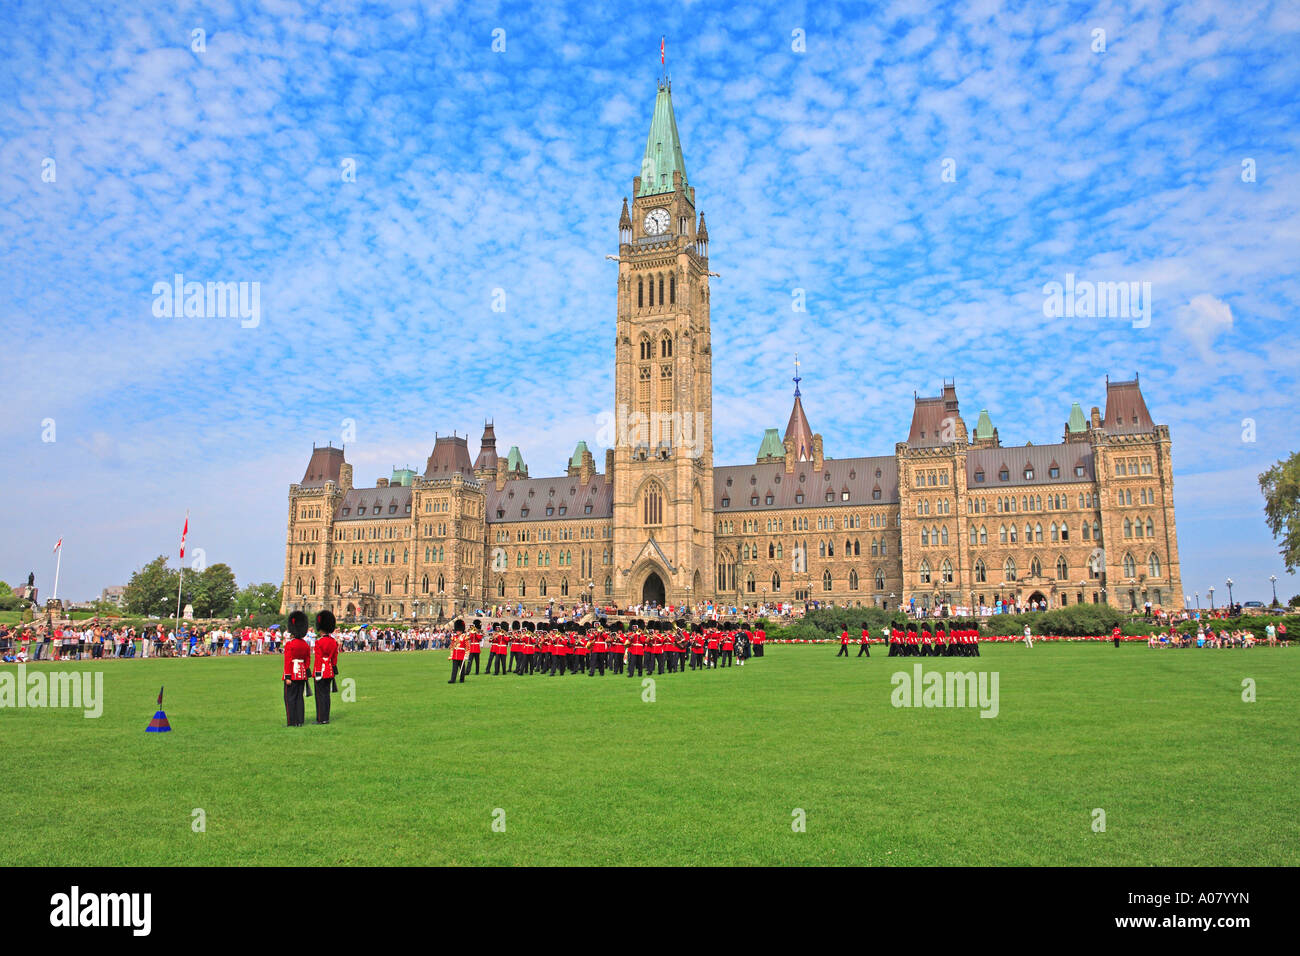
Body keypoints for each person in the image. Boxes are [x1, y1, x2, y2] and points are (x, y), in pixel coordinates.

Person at [282, 611, 312, 727]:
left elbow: (288, 661)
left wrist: (287, 676)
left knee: (290, 698)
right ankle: (300, 721)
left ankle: (292, 721)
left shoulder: (290, 644)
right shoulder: (305, 644)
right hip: (302, 673)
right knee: (299, 698)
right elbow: (307, 660)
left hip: (292, 673)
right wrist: (305, 670)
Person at [313, 611, 340, 725]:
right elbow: (334, 658)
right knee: (326, 695)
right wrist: (333, 669)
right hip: (329, 671)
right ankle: (326, 717)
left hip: (321, 671)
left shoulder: (319, 642)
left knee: (320, 696)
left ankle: (321, 718)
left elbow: (318, 659)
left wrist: (317, 673)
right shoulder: (333, 642)